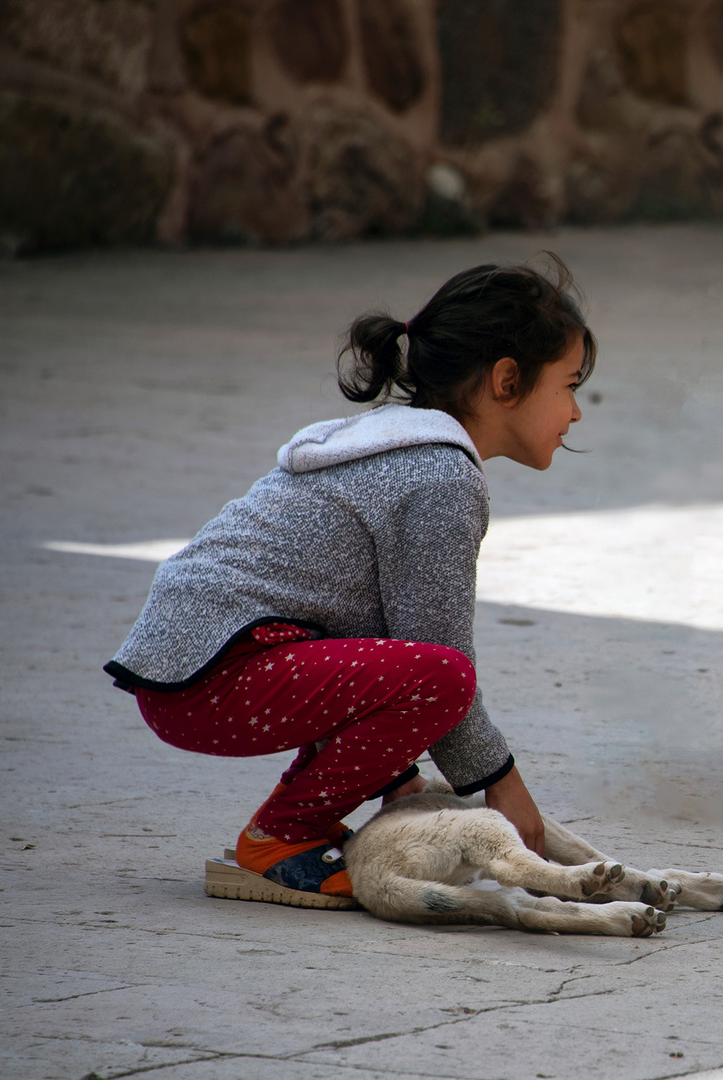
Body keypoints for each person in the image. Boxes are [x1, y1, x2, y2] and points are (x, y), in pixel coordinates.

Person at [104, 259, 594, 909]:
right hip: (218, 673)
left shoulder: (394, 447)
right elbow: (437, 660)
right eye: (568, 385)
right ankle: (281, 839)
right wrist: (502, 786)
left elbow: (363, 639)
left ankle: (297, 825)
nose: (577, 412)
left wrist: (397, 776)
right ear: (507, 380)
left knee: (415, 671)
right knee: (441, 676)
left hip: (196, 665)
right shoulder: (440, 477)